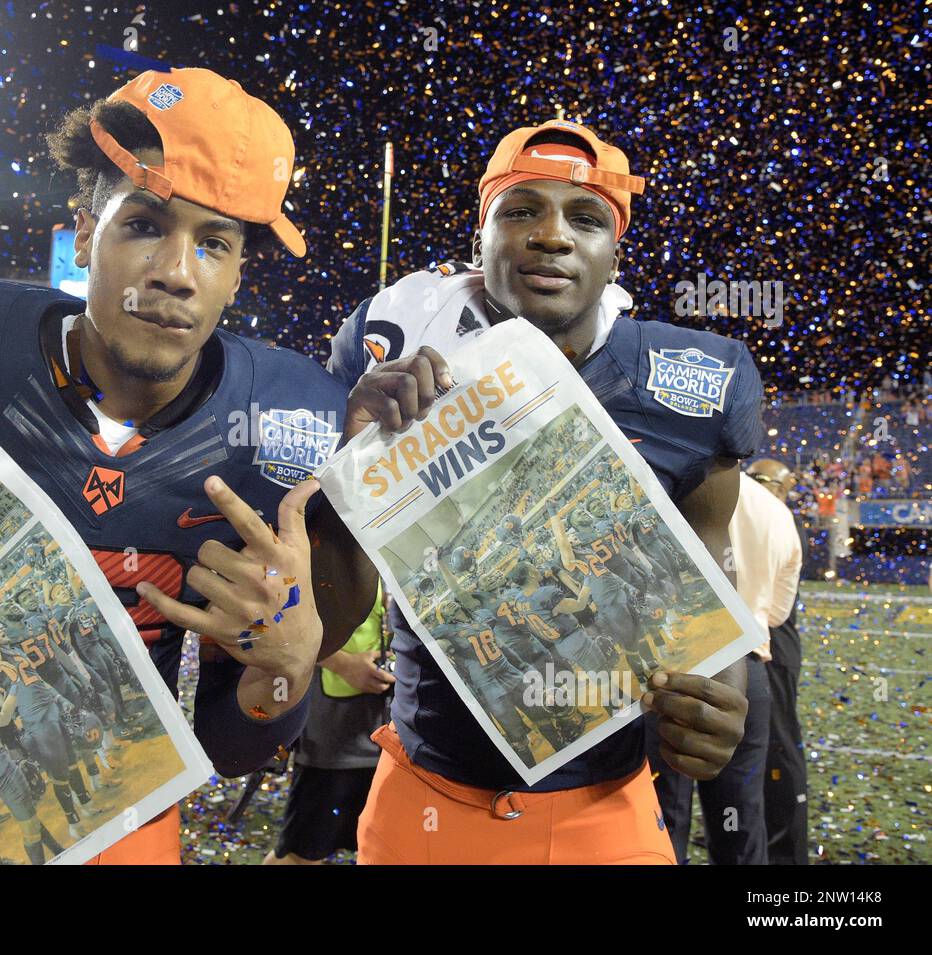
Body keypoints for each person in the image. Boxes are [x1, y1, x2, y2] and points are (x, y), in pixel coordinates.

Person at [0, 67, 381, 864]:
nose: (176, 270)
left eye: (215, 242)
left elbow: (231, 749)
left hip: (131, 817)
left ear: (238, 273)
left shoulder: (288, 418)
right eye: (144, 225)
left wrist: (286, 671)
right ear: (86, 230)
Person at [327, 119, 762, 864]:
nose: (551, 235)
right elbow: (332, 619)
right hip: (427, 789)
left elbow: (709, 565)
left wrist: (720, 694)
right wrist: (352, 459)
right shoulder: (392, 350)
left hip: (609, 800)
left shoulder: (694, 383)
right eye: (520, 209)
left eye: (585, 217)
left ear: (614, 251)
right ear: (482, 233)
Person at [646, 464, 797, 863]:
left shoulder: (674, 483)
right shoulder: (777, 512)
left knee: (664, 816)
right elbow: (779, 612)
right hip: (750, 671)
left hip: (676, 669)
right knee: (741, 816)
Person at [264, 583, 393, 865]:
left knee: (390, 852)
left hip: (403, 738)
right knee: (301, 854)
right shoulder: (316, 540)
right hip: (333, 735)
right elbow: (274, 621)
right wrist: (342, 664)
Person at [747, 457, 808, 864]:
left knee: (780, 747)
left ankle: (785, 846)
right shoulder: (767, 514)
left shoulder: (779, 519)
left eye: (766, 482)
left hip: (775, 643)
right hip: (768, 639)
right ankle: (754, 830)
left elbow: (776, 609)